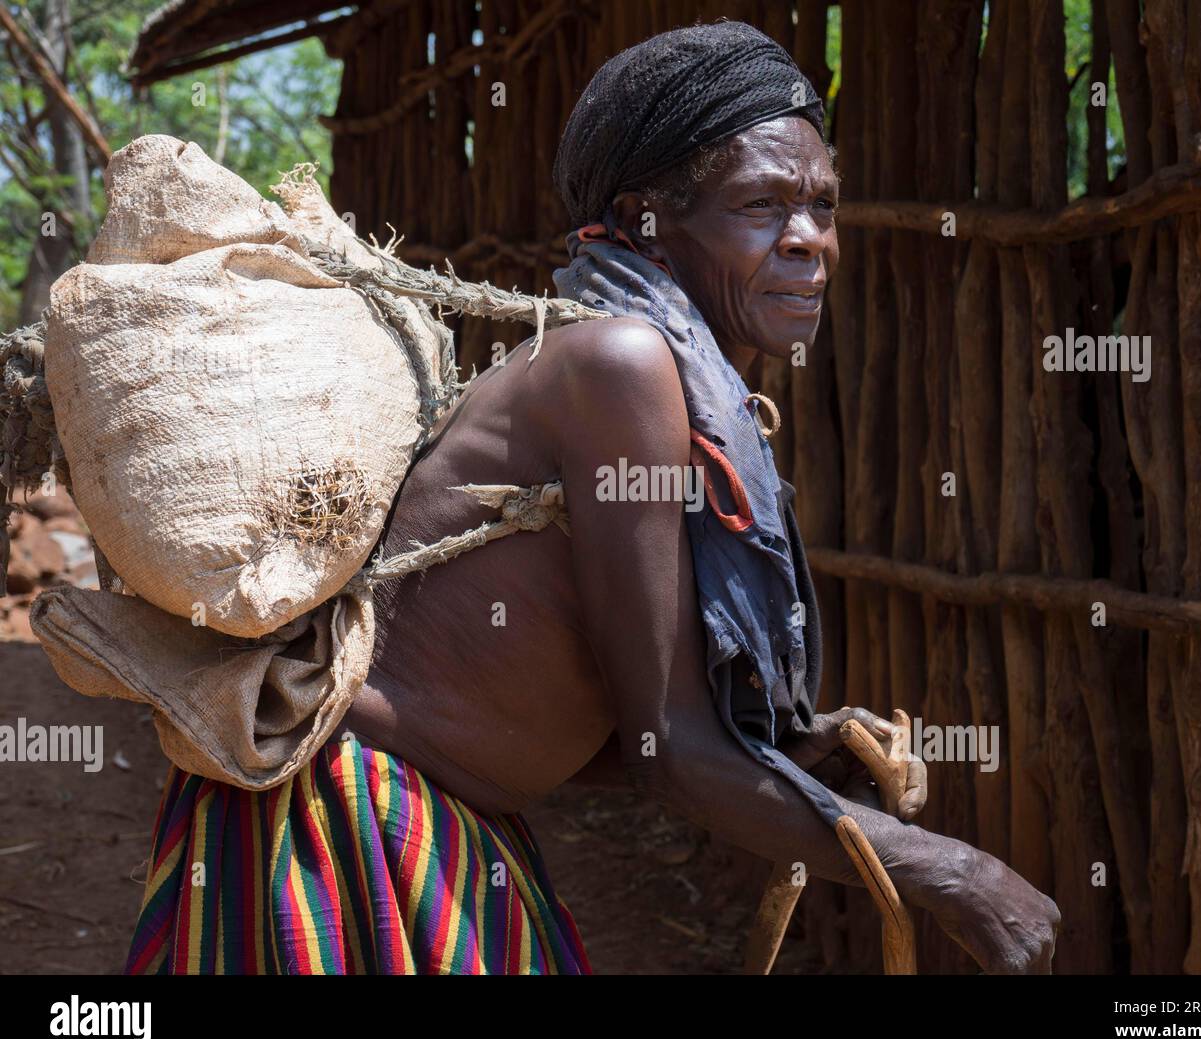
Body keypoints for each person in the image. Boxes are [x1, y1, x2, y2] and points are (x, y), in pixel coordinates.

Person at [126, 20, 1059, 975]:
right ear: (647, 217)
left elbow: (622, 725)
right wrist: (952, 872)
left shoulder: (683, 388)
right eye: (763, 205)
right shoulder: (619, 362)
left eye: (823, 204)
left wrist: (784, 753)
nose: (810, 241)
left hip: (441, 822)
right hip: (342, 829)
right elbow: (672, 754)